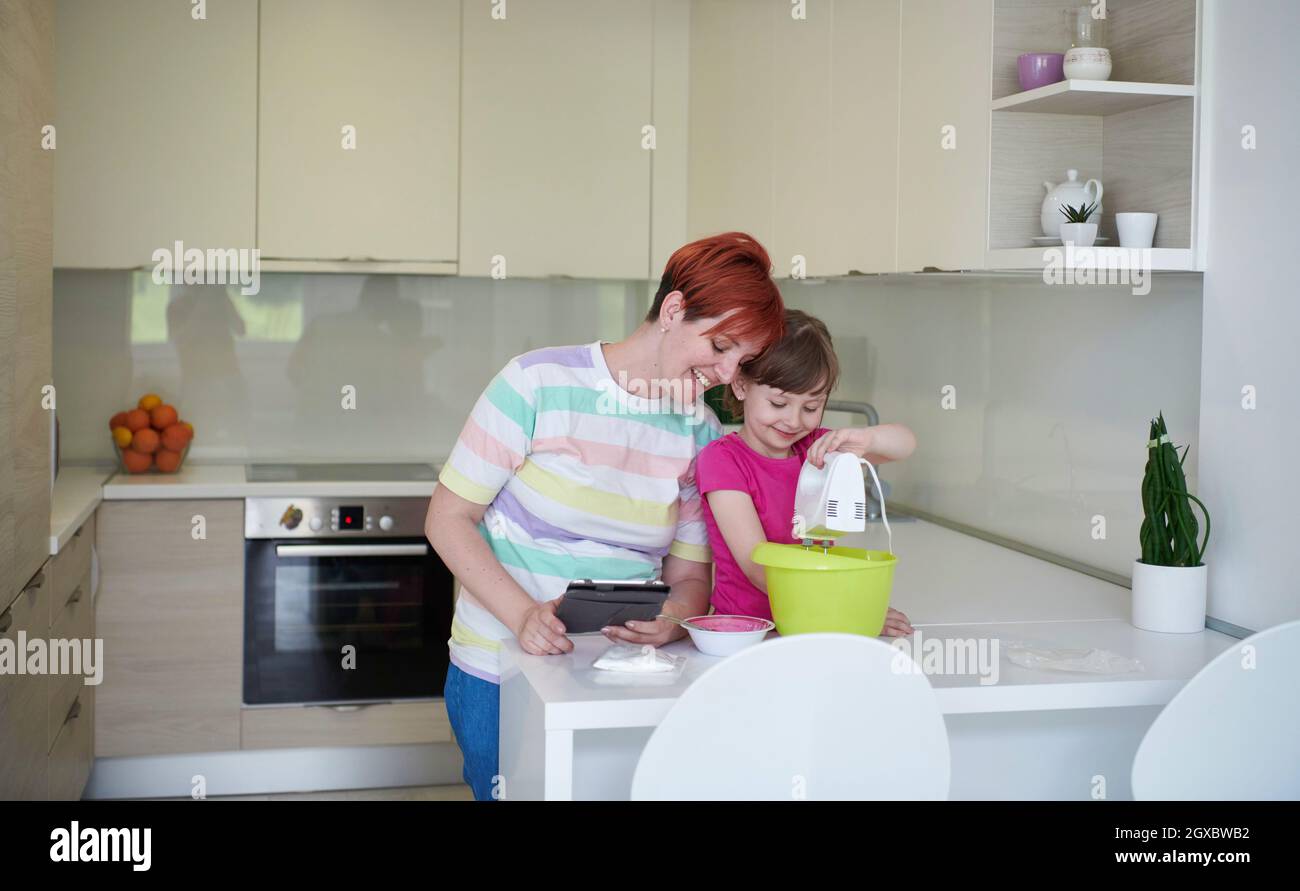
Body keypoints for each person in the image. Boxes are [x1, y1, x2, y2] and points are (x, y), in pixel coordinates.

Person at [426, 232, 785, 800]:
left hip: (622, 680)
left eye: (741, 361)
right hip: (502, 671)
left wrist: (672, 620)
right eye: (720, 346)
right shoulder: (536, 383)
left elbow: (691, 578)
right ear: (673, 310)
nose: (724, 373)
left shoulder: (700, 433)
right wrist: (524, 617)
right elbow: (448, 519)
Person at [696, 309, 916, 634]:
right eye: (779, 404)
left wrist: (868, 437)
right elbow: (758, 566)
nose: (795, 421)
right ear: (741, 386)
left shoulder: (818, 449)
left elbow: (904, 444)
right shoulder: (722, 460)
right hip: (749, 631)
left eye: (811, 407)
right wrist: (851, 608)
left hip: (816, 621)